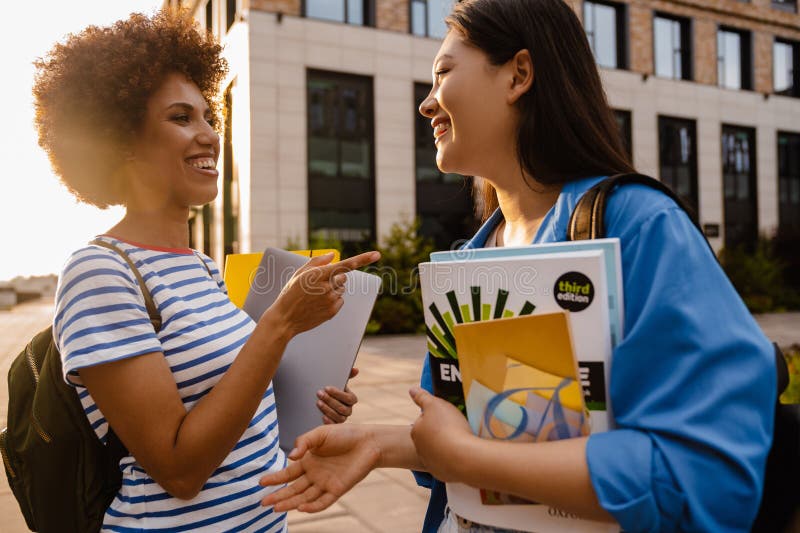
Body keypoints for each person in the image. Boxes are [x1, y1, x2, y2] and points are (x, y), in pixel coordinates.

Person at [258, 0, 777, 531]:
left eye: (442, 74)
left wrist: (467, 460)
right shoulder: (469, 261)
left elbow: (704, 474)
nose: (427, 104)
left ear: (519, 75)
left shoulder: (638, 226)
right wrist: (378, 443)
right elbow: (483, 436)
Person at [34, 9, 379, 531]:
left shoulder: (201, 268)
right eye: (180, 118)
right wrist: (281, 322)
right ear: (120, 140)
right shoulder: (98, 273)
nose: (210, 134)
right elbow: (180, 469)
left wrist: (308, 401)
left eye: (208, 116)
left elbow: (233, 405)